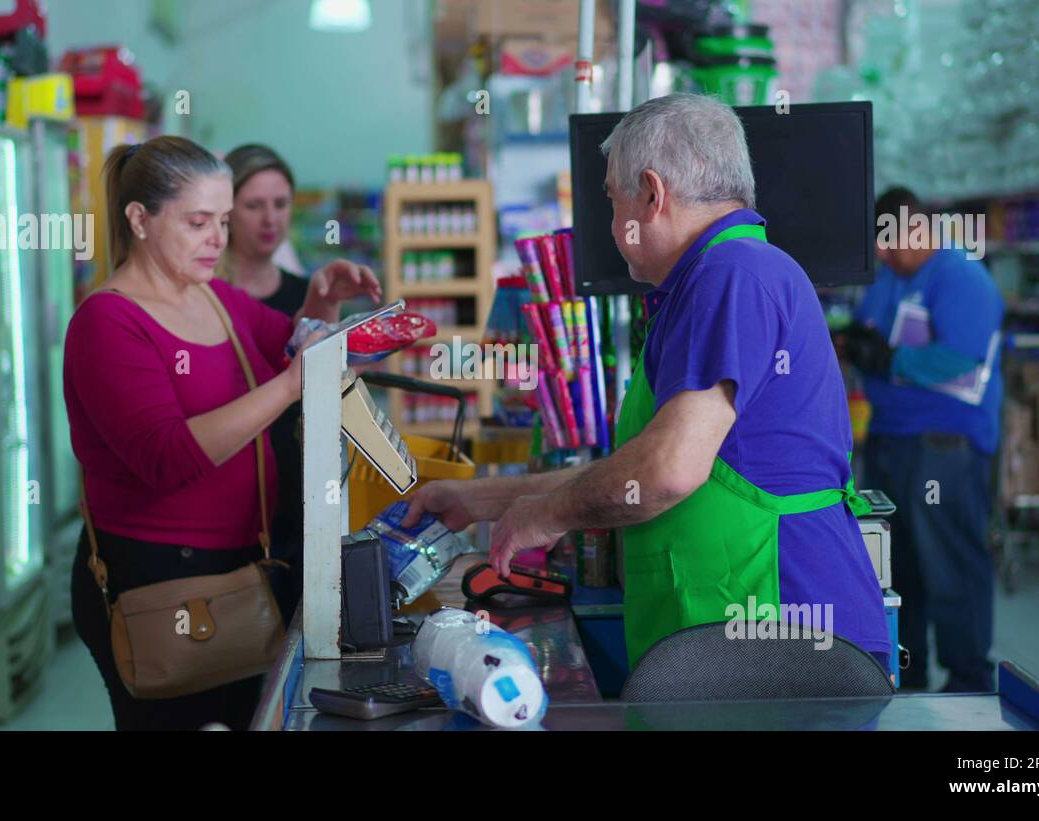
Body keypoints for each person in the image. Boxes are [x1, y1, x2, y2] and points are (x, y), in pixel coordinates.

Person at [404, 94, 891, 672]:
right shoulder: (716, 279)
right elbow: (640, 463)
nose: (609, 226)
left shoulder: (731, 275)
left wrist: (548, 514)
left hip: (779, 629)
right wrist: (476, 501)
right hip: (746, 631)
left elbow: (668, 470)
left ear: (653, 195)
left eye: (612, 201)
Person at [64, 136, 380, 730]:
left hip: (240, 572)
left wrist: (320, 300)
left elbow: (288, 341)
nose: (218, 238)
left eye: (224, 221)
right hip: (157, 582)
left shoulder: (213, 297)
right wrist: (289, 386)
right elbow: (166, 457)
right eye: (198, 222)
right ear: (139, 219)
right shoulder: (107, 322)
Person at [837, 187, 1003, 693]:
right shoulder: (890, 277)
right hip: (890, 439)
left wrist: (893, 361)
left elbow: (964, 355)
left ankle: (968, 678)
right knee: (897, 569)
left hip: (944, 445)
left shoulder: (962, 277)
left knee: (950, 562)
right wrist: (853, 341)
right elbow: (870, 328)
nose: (883, 255)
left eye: (889, 243)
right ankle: (907, 675)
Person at [216, 143, 376, 626]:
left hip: (294, 493)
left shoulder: (302, 291)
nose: (270, 219)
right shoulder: (206, 300)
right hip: (228, 499)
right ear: (225, 211)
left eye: (280, 204)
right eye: (253, 205)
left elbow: (319, 381)